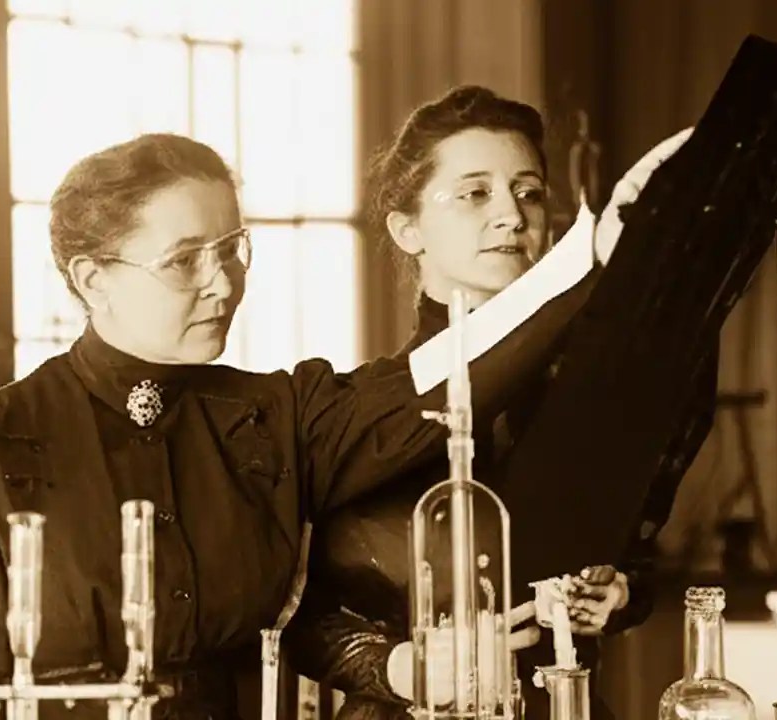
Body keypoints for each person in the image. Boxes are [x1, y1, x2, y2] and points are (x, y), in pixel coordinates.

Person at [0, 132, 599, 720]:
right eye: (184, 261)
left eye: (232, 250)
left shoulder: (275, 416)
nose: (223, 282)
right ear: (91, 278)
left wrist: (593, 258)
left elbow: (428, 382)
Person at [281, 86, 714, 719]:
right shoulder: (361, 413)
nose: (512, 215)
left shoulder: (592, 395)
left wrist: (616, 592)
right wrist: (402, 666)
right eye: (474, 193)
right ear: (407, 230)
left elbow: (636, 548)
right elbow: (299, 617)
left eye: (528, 192)